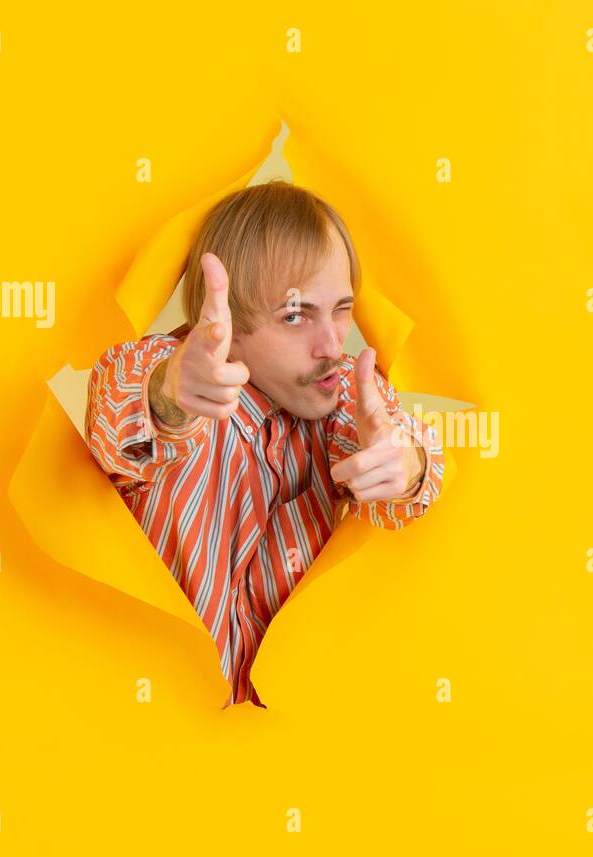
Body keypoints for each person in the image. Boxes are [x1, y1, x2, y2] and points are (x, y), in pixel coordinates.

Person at [85, 181, 446, 708]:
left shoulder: (347, 390)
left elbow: (403, 451)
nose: (332, 345)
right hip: (149, 741)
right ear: (230, 319)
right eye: (296, 316)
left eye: (340, 309)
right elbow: (123, 418)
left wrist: (407, 465)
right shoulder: (171, 375)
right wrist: (170, 396)